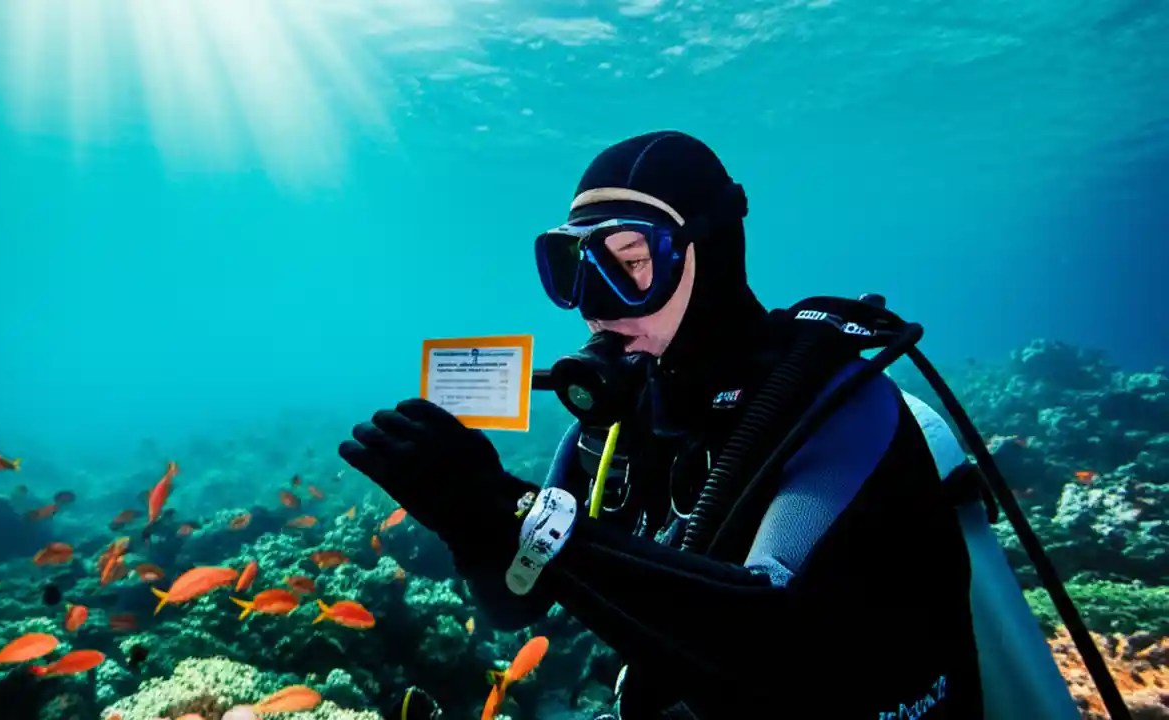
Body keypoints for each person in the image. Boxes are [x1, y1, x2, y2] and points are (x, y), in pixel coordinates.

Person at [338, 131, 1021, 719]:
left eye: (631, 264)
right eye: (574, 270)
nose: (594, 308)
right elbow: (517, 604)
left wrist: (508, 507)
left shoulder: (834, 403)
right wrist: (468, 524)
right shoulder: (611, 426)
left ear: (712, 253)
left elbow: (769, 638)